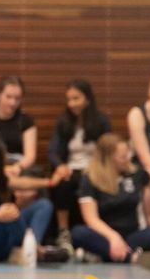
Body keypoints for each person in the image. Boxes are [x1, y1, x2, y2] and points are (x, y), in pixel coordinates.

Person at [0, 140, 62, 264]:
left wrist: (50, 182)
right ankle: (34, 250)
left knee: (43, 205)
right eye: (4, 154)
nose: (6, 158)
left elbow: (24, 183)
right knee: (9, 212)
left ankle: (32, 246)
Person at [71, 133, 150, 268]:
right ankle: (132, 258)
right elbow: (91, 219)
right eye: (122, 157)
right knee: (78, 233)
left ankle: (104, 255)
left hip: (132, 236)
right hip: (104, 235)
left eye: (127, 154)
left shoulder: (135, 173)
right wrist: (113, 237)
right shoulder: (89, 179)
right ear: (108, 159)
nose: (127, 159)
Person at [48, 79, 111, 253]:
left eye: (76, 99)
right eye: (69, 99)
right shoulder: (63, 122)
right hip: (71, 169)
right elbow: (53, 151)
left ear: (87, 99)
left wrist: (94, 169)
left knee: (90, 183)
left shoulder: (101, 122)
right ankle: (63, 231)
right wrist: (60, 166)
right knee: (62, 183)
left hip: (95, 170)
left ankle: (95, 231)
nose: (72, 104)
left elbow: (107, 150)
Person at [125, 73, 150, 225]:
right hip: (142, 164)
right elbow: (143, 154)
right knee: (149, 186)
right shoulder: (137, 114)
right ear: (149, 91)